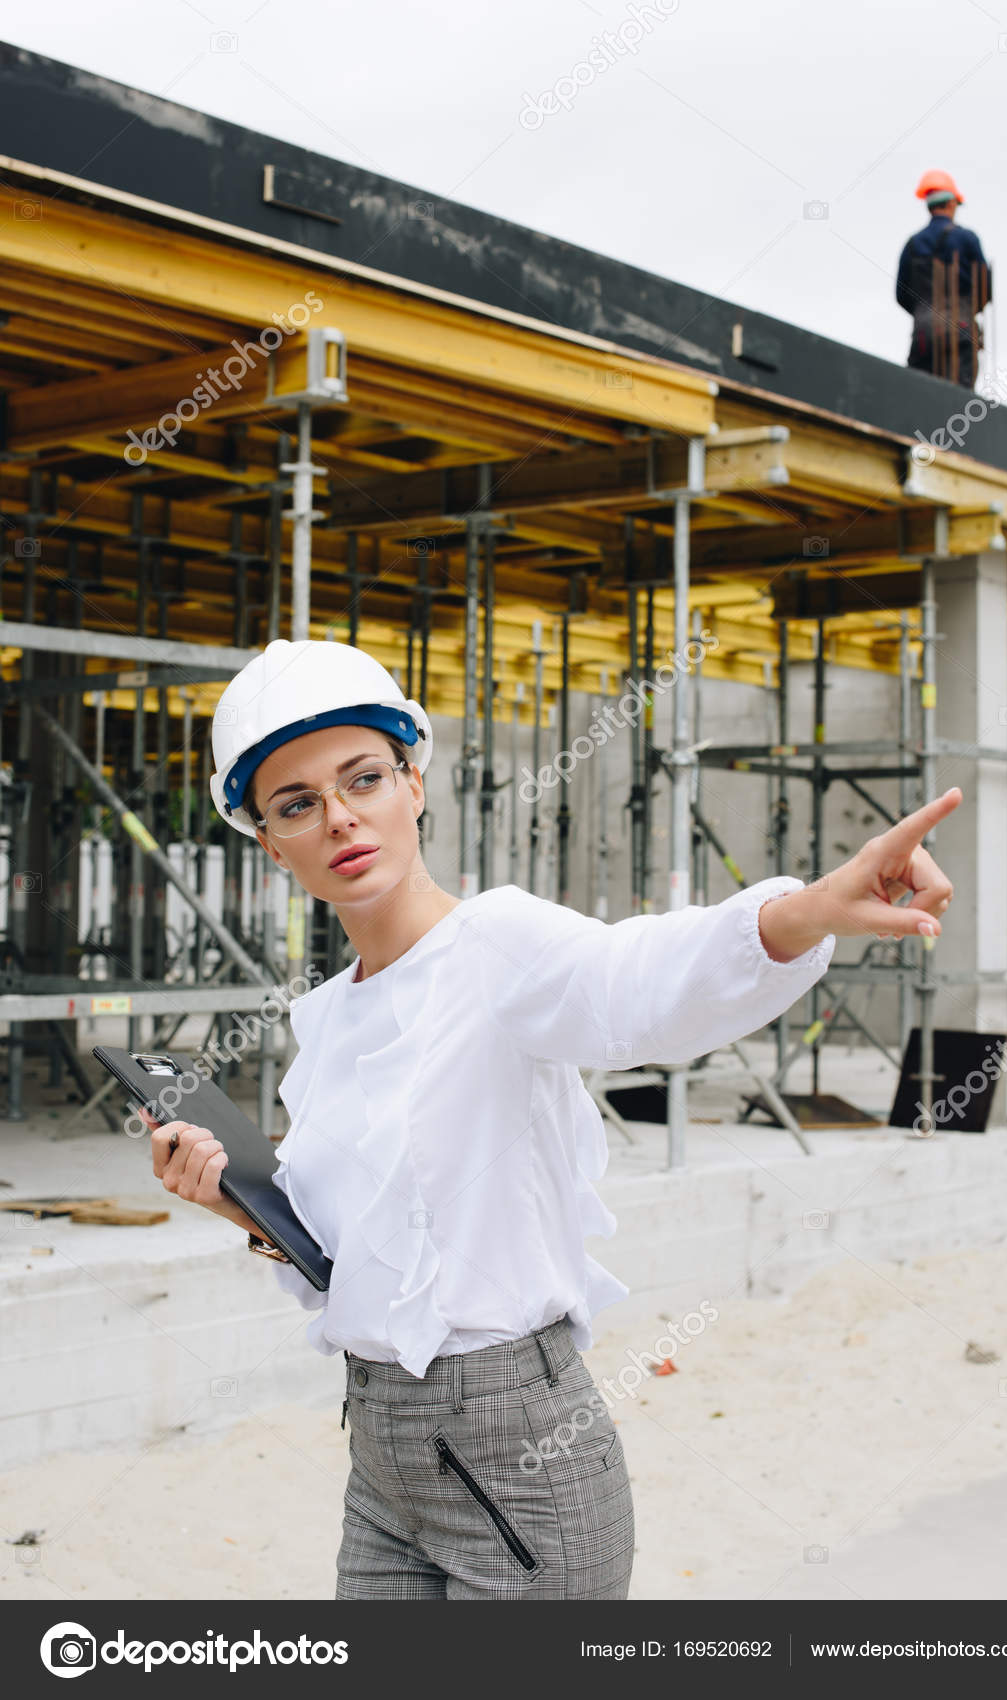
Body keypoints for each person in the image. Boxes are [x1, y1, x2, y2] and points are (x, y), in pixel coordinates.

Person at [147, 638, 959, 1600]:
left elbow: (641, 981)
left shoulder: (493, 944)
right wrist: (241, 1206)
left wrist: (808, 911)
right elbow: (356, 1258)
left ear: (413, 781)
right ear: (268, 840)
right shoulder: (327, 1017)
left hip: (518, 1463)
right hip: (383, 1466)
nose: (339, 817)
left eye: (362, 778)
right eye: (296, 804)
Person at [896, 170, 991, 388]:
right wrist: (967, 309)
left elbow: (901, 294)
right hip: (961, 327)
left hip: (924, 332)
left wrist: (924, 312)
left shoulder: (912, 244)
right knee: (959, 400)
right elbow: (985, 286)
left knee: (919, 394)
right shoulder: (967, 239)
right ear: (950, 204)